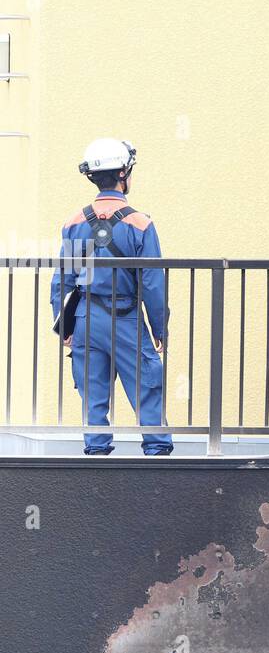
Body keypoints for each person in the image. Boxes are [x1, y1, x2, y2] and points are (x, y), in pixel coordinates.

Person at [52, 138, 172, 456]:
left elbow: (62, 280)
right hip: (126, 317)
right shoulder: (140, 224)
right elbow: (152, 284)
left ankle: (96, 455)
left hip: (85, 318)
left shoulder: (74, 223)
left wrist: (64, 326)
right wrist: (159, 328)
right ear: (123, 174)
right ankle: (158, 454)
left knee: (92, 391)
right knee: (147, 385)